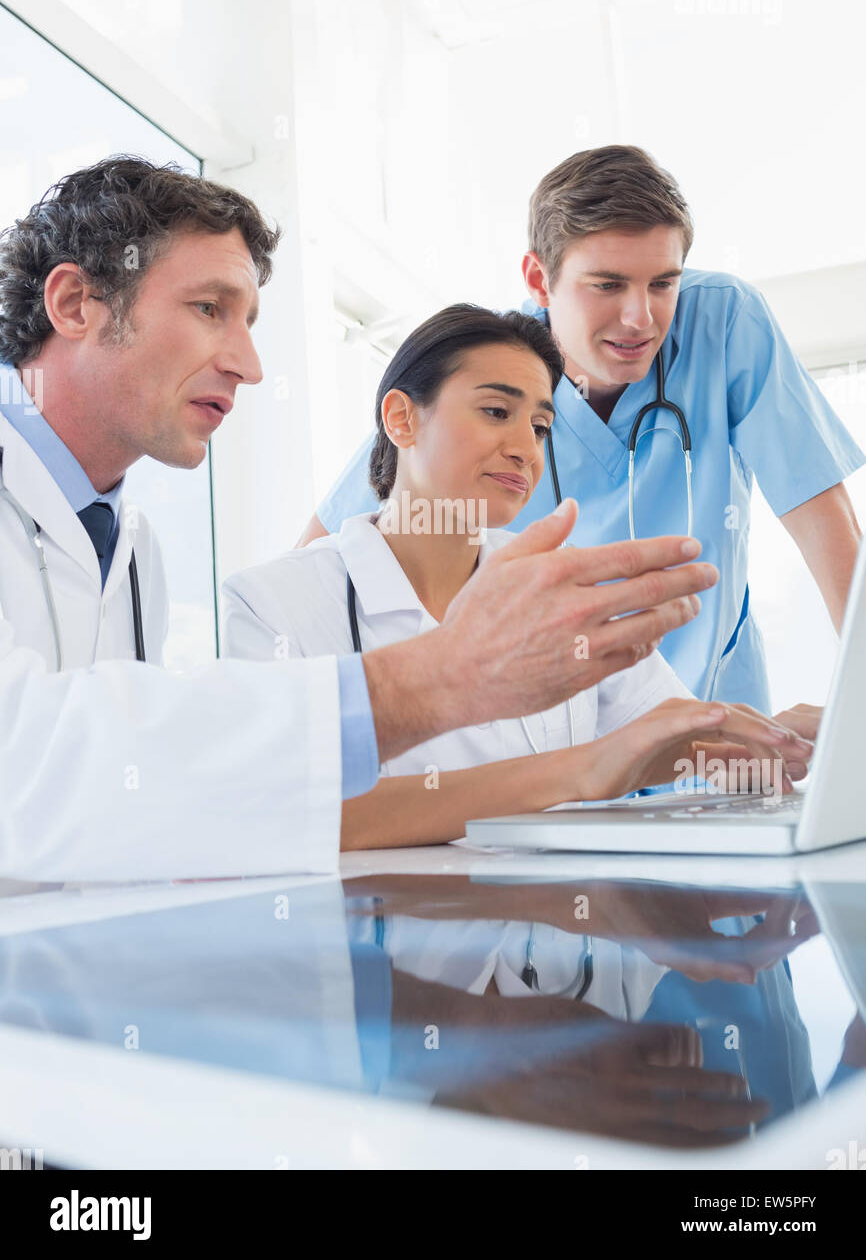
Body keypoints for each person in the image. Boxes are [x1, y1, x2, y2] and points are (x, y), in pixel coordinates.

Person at [0, 158, 718, 883]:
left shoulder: (131, 548)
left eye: (538, 425)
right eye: (209, 309)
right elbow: (33, 767)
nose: (249, 365)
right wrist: (445, 681)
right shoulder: (276, 595)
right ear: (73, 303)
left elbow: (147, 807)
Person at [223, 305, 815, 848]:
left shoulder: (557, 585)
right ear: (402, 419)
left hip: (563, 940)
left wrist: (775, 743)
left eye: (538, 427)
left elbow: (659, 733)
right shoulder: (274, 604)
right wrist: (578, 773)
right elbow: (280, 814)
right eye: (496, 412)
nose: (525, 450)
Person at [299, 146, 864, 714]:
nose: (641, 318)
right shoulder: (486, 367)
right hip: (547, 741)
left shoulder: (724, 322)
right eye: (607, 285)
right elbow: (324, 558)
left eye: (663, 283)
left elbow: (825, 524)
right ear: (540, 281)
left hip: (713, 726)